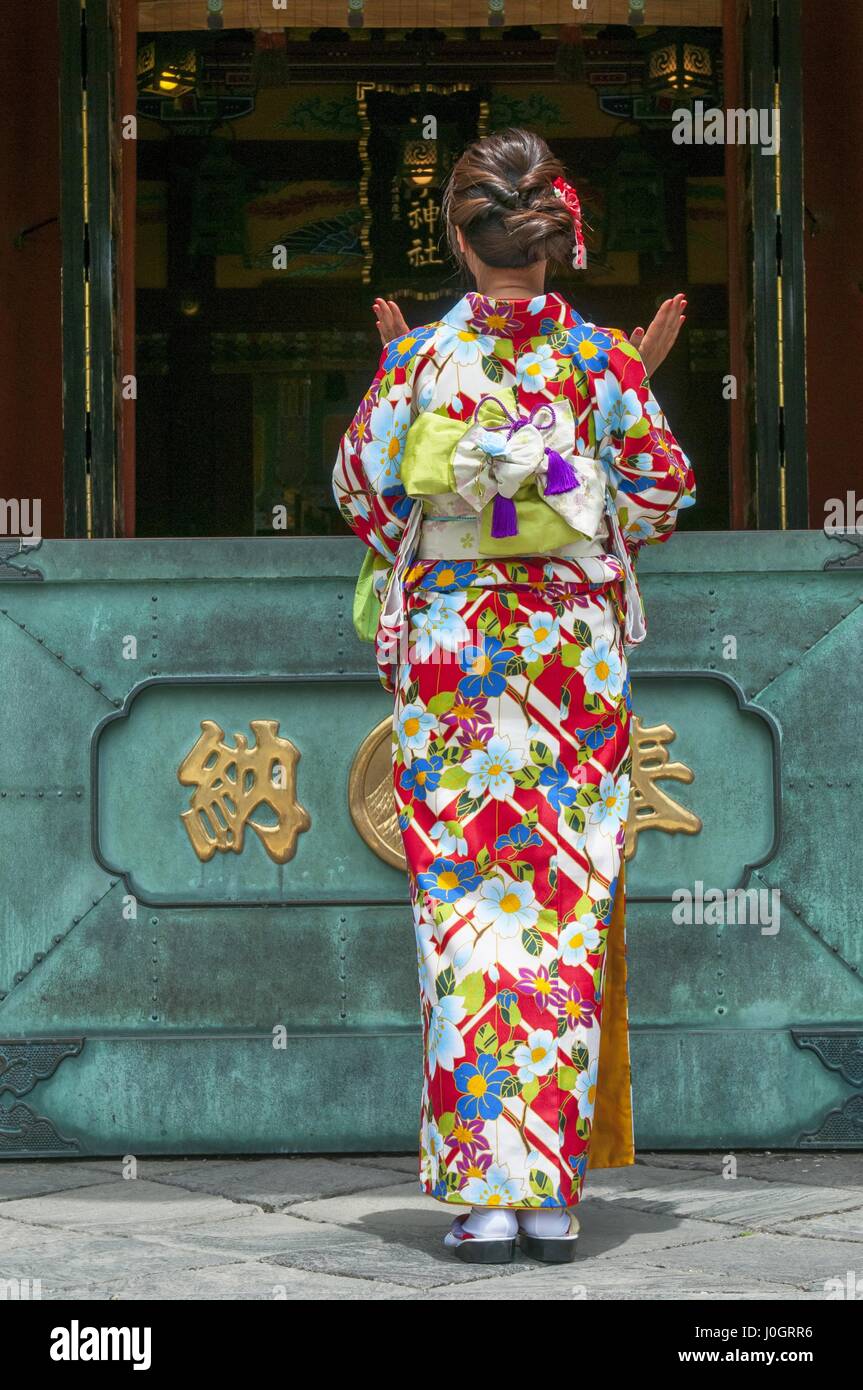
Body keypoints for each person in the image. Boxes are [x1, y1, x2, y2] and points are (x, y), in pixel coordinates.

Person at [333, 128, 695, 1265]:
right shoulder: (600, 362)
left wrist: (458, 514)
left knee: (464, 926)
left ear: (458, 235)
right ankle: (550, 1198)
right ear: (555, 240)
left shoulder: (417, 368)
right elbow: (661, 497)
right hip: (569, 676)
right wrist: (562, 505)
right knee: (559, 919)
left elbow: (360, 494)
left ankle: (483, 1199)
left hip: (452, 673)